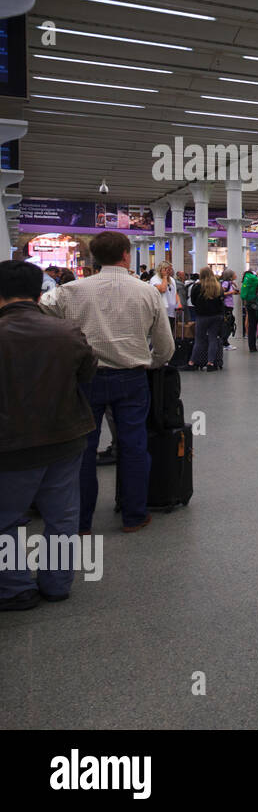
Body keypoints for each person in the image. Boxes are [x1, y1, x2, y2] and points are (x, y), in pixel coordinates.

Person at [40, 231, 174, 534]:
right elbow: (165, 346)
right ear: (126, 255)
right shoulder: (147, 291)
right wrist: (152, 363)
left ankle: (82, 521)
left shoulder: (70, 291)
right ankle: (134, 515)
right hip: (132, 377)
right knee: (134, 445)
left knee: (82, 448)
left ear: (93, 258)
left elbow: (41, 309)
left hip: (86, 378)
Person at [0, 261, 97, 610]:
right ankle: (57, 584)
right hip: (66, 435)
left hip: (11, 445)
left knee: (4, 519)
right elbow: (87, 374)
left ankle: (14, 588)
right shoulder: (66, 331)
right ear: (39, 290)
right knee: (62, 515)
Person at [188, 267, 226, 371]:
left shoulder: (196, 287)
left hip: (202, 316)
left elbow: (193, 301)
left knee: (199, 340)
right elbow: (222, 301)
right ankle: (211, 363)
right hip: (216, 316)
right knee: (213, 339)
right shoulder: (218, 287)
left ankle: (192, 362)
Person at [150, 262, 178, 332]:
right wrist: (164, 277)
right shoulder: (155, 279)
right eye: (167, 270)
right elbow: (163, 289)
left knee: (170, 333)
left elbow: (175, 293)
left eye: (170, 269)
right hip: (162, 311)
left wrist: (178, 303)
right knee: (162, 333)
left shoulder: (172, 280)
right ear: (161, 269)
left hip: (172, 312)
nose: (169, 271)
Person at [220, 269, 237, 348]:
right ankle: (224, 343)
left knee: (230, 323)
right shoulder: (226, 283)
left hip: (229, 306)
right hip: (226, 306)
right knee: (227, 324)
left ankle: (225, 342)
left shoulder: (230, 283)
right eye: (234, 273)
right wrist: (231, 292)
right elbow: (221, 293)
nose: (235, 275)